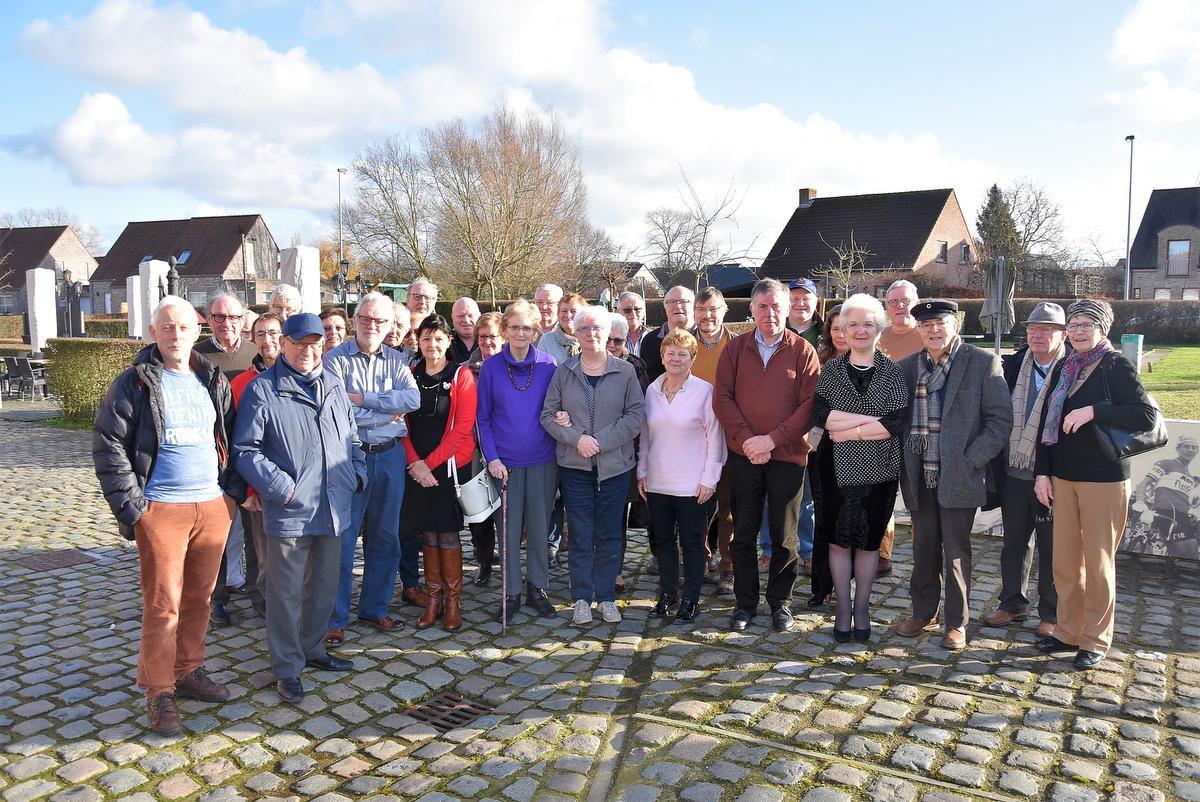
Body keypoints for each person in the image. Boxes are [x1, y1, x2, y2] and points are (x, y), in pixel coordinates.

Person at [93, 295, 245, 735]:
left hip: (211, 508)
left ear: (196, 330)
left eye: (183, 327)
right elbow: (108, 445)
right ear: (153, 332)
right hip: (161, 509)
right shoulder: (134, 383)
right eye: (166, 327)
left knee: (200, 599)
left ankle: (189, 669)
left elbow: (230, 438)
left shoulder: (210, 378)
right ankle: (159, 690)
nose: (176, 334)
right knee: (163, 605)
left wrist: (229, 496)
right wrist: (134, 509)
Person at [234, 312, 365, 703]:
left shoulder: (333, 385)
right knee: (285, 593)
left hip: (334, 504)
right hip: (291, 508)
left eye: (315, 343)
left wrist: (356, 474)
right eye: (300, 343)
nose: (308, 350)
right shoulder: (264, 390)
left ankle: (312, 648)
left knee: (324, 587)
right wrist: (280, 487)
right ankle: (287, 667)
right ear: (284, 345)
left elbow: (352, 437)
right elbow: (245, 450)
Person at [1034, 299, 1157, 670]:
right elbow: (1046, 424)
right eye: (1074, 324)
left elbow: (1145, 415)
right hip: (1063, 477)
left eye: (1088, 324)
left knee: (1098, 561)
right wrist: (1042, 473)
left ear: (1103, 329)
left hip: (1103, 479)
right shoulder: (1064, 368)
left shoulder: (1115, 365)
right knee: (1065, 561)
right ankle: (1067, 631)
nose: (1079, 330)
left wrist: (1093, 411)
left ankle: (1094, 639)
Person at [894, 300, 1009, 650]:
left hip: (959, 476)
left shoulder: (981, 363)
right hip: (919, 473)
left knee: (956, 551)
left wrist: (970, 460)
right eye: (926, 325)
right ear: (918, 329)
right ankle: (923, 612)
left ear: (954, 324)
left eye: (940, 323)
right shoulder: (907, 368)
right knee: (923, 547)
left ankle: (956, 623)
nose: (933, 330)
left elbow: (1000, 420)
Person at [713, 278, 820, 633]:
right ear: (752, 311)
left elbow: (809, 406)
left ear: (787, 309)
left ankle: (781, 603)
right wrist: (748, 441)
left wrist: (771, 440)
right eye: (762, 306)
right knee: (743, 533)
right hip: (744, 456)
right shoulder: (735, 349)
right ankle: (745, 603)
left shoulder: (803, 350)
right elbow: (722, 399)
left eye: (776, 306)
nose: (769, 313)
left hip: (788, 456)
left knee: (784, 535)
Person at [323, 293, 420, 646]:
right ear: (355, 320)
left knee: (385, 536)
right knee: (344, 539)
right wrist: (384, 411)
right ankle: (335, 617)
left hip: (391, 455)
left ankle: (375, 607)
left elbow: (412, 400)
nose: (372, 326)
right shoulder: (334, 360)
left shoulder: (398, 361)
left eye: (380, 321)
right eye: (366, 319)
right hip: (350, 455)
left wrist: (362, 400)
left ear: (389, 325)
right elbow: (336, 409)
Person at [810, 295, 907, 643]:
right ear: (843, 331)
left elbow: (895, 422)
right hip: (833, 470)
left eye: (868, 324)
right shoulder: (831, 371)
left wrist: (849, 430)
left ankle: (862, 607)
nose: (860, 330)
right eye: (853, 324)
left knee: (868, 544)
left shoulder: (893, 372)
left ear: (879, 329)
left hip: (880, 470)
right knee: (837, 541)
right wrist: (870, 422)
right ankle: (842, 608)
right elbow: (822, 417)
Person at [542, 306, 644, 626]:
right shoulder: (564, 371)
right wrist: (577, 438)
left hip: (615, 465)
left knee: (610, 533)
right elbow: (548, 416)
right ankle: (582, 598)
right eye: (584, 328)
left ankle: (607, 598)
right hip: (575, 466)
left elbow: (635, 417)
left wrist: (599, 441)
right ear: (576, 333)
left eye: (597, 328)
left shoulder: (625, 371)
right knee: (581, 533)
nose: (591, 333)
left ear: (607, 330)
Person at [983, 302, 1068, 637]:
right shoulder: (1011, 365)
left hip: (1055, 477)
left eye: (1047, 329)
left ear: (1062, 335)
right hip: (1015, 473)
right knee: (1014, 543)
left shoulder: (1072, 370)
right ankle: (1013, 603)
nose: (1038, 335)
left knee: (1051, 546)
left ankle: (1051, 612)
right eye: (1033, 328)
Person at [477, 300, 561, 621]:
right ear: (504, 330)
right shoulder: (491, 368)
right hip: (505, 464)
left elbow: (556, 408)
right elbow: (483, 418)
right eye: (514, 327)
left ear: (535, 330)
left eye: (527, 327)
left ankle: (537, 589)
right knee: (509, 530)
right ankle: (511, 592)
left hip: (543, 460)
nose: (520, 333)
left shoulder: (549, 365)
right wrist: (493, 458)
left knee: (539, 527)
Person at [639, 329, 726, 623]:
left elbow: (716, 438)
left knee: (692, 543)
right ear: (662, 357)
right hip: (658, 480)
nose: (675, 358)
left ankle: (691, 598)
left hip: (693, 485)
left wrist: (709, 479)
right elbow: (645, 436)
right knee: (662, 541)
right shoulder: (652, 390)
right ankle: (667, 593)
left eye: (682, 353)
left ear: (692, 359)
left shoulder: (704, 391)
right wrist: (642, 472)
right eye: (670, 353)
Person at [401, 315, 477, 631]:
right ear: (418, 342)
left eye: (438, 339)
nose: (432, 345)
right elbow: (400, 423)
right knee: (427, 534)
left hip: (446, 467)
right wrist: (415, 463)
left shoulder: (461, 376)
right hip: (415, 467)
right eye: (426, 339)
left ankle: (453, 602)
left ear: (448, 341)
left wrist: (428, 465)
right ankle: (433, 600)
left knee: (447, 533)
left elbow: (462, 428)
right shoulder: (409, 375)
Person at [195, 293, 256, 626]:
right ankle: (215, 598)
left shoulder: (255, 353)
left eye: (233, 317)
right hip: (213, 455)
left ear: (243, 318)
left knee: (254, 529)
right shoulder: (195, 356)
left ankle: (257, 592)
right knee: (215, 532)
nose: (226, 324)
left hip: (251, 451)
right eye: (219, 317)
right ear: (208, 319)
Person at [227, 312, 286, 619]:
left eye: (274, 333)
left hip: (293, 478)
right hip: (258, 481)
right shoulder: (240, 384)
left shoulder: (299, 376)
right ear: (253, 340)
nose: (268, 340)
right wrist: (250, 489)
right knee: (262, 553)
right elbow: (240, 442)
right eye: (261, 334)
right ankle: (264, 603)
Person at [875, 279, 923, 576]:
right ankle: (882, 554)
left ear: (916, 302)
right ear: (886, 307)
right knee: (882, 495)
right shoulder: (877, 338)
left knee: (919, 498)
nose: (900, 307)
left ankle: (923, 555)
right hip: (883, 431)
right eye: (893, 302)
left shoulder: (928, 335)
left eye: (905, 301)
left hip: (919, 431)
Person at [692, 287, 736, 595]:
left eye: (713, 309)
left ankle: (727, 568)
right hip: (691, 439)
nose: (708, 316)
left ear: (724, 311)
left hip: (729, 435)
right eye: (702, 309)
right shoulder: (684, 343)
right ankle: (699, 560)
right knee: (694, 504)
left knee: (728, 507)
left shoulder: (737, 345)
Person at [608, 312, 649, 594]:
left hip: (624, 452)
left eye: (618, 340)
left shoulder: (636, 367)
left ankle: (615, 571)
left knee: (617, 516)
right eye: (607, 338)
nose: (612, 345)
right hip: (589, 452)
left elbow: (641, 412)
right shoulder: (581, 364)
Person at [808, 304, 846, 608]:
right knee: (824, 520)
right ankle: (821, 586)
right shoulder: (818, 364)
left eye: (848, 326)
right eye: (835, 328)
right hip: (823, 451)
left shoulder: (878, 364)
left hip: (862, 453)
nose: (842, 333)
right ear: (829, 333)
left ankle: (848, 583)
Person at [465, 311, 505, 586]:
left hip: (506, 450)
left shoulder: (511, 368)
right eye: (482, 337)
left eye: (492, 336)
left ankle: (511, 567)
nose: (487, 342)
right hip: (474, 453)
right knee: (479, 514)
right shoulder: (466, 372)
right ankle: (483, 562)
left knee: (507, 514)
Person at [1133, 436, 1199, 559]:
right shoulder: (1167, 463)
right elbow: (1143, 484)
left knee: (1192, 553)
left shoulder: (1190, 475)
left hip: (1184, 515)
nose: (1190, 450)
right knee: (1186, 555)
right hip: (1168, 512)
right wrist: (1140, 502)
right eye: (1186, 446)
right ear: (1178, 449)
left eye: (1194, 447)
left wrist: (1191, 511)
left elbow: (1183, 497)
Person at [641, 285, 696, 381]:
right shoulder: (649, 341)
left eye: (684, 302)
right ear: (665, 308)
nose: (678, 306)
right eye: (672, 302)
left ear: (694, 306)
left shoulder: (704, 339)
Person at [538, 291, 585, 365]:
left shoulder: (590, 339)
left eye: (573, 311)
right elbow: (540, 369)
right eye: (564, 311)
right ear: (558, 314)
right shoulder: (547, 340)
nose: (568, 315)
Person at [786, 278, 823, 347]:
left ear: (815, 302)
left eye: (806, 299)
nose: (800, 304)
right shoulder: (775, 331)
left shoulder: (827, 333)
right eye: (795, 298)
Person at [450, 297, 481, 365]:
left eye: (470, 315)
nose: (466, 320)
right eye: (461, 316)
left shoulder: (490, 341)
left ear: (479, 316)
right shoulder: (444, 342)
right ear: (452, 318)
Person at [618, 291, 647, 356]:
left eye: (637, 309)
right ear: (618, 312)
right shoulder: (610, 339)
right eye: (627, 310)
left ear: (643, 312)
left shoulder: (653, 337)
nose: (633, 313)